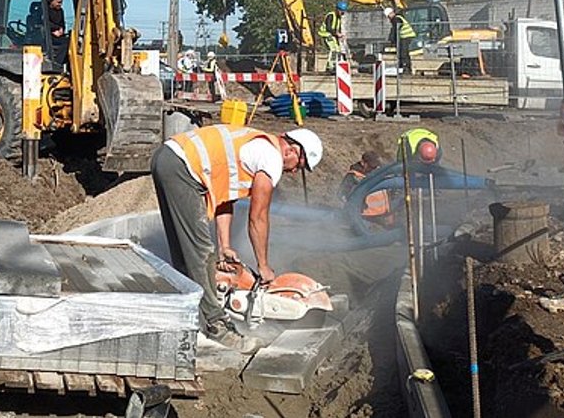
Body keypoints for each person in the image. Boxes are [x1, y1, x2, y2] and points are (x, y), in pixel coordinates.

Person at [151, 124, 323, 351]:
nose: (292, 172)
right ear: (292, 151)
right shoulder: (271, 158)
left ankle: (187, 316)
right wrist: (263, 266)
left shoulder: (255, 144)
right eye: (298, 167)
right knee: (201, 252)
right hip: (181, 166)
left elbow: (224, 198)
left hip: (167, 158)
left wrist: (225, 245)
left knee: (184, 253)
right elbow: (258, 217)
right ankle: (216, 325)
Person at [337, 150, 394, 227]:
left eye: (376, 166)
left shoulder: (380, 174)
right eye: (371, 166)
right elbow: (342, 195)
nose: (374, 169)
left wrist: (389, 213)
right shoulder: (354, 177)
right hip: (363, 219)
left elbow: (386, 195)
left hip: (381, 218)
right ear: (363, 163)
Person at [385, 6, 416, 75]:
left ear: (390, 14)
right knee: (401, 52)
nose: (388, 18)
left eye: (388, 16)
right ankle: (403, 68)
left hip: (407, 36)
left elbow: (395, 29)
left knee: (403, 53)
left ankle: (405, 68)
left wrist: (392, 39)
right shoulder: (398, 18)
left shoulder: (396, 19)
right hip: (404, 36)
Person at [318, 0, 348, 66]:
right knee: (333, 49)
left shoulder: (339, 18)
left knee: (338, 50)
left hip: (333, 35)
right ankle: (330, 66)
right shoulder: (330, 15)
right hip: (326, 34)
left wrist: (341, 35)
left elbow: (338, 28)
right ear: (337, 9)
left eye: (343, 12)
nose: (342, 13)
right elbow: (328, 28)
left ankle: (335, 64)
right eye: (341, 11)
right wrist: (336, 34)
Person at [45, 0, 68, 67]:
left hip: (58, 35)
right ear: (52, 1)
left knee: (69, 41)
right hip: (47, 35)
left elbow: (63, 23)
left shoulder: (61, 11)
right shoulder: (45, 10)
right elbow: (45, 23)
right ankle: (57, 63)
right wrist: (55, 30)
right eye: (58, 2)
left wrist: (61, 30)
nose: (60, 4)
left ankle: (62, 63)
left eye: (61, 2)